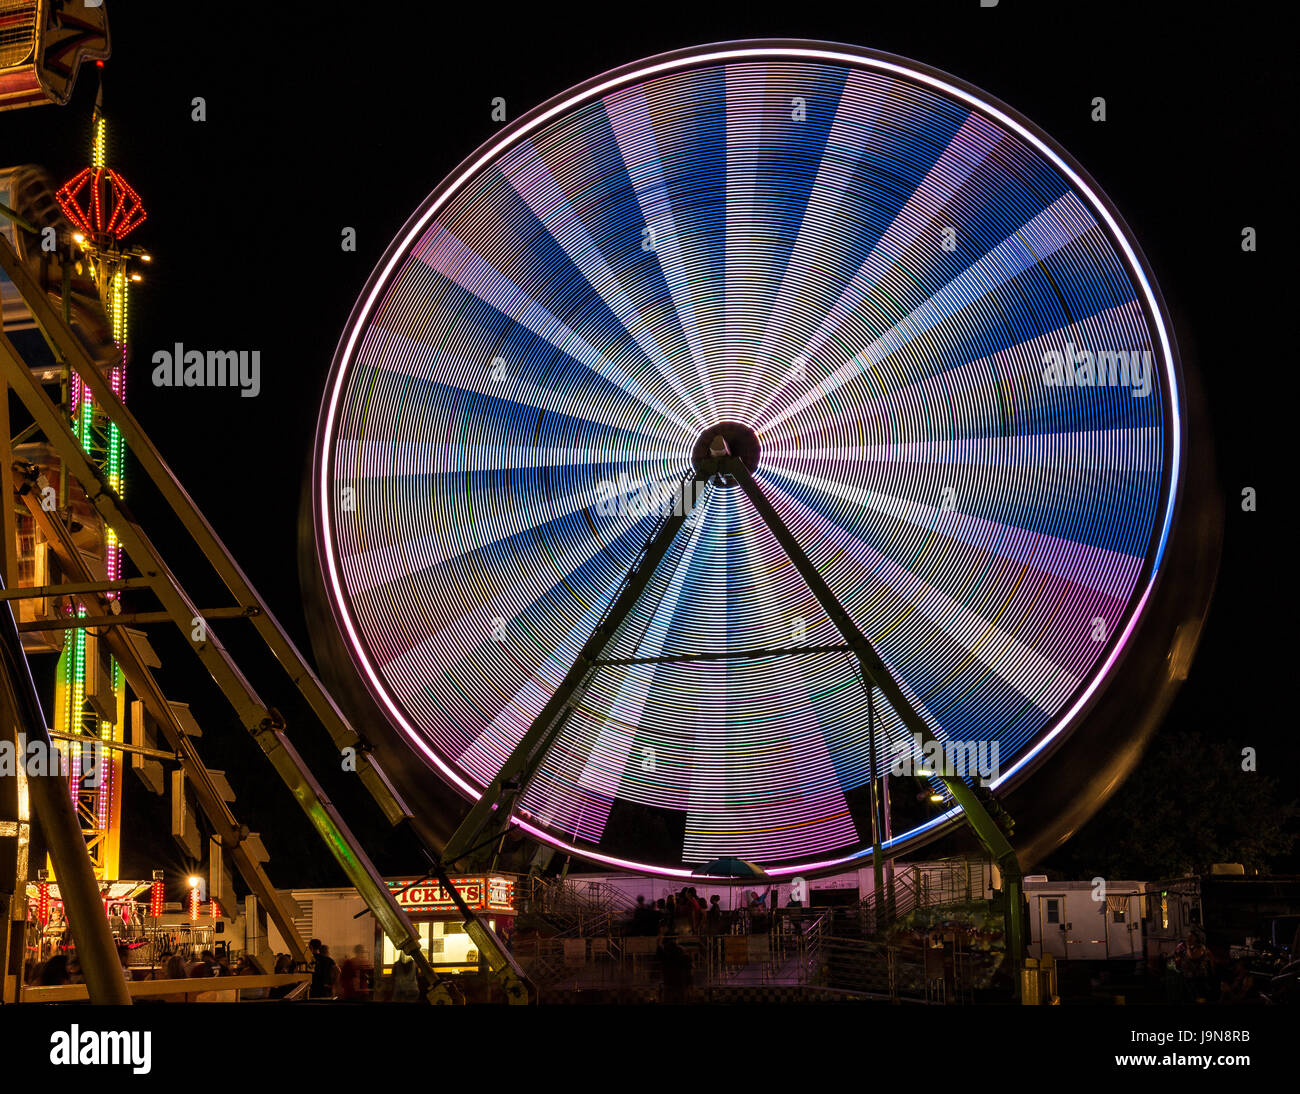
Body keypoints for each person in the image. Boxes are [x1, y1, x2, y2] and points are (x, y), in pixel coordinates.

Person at [658, 935, 693, 1004]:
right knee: (682, 999)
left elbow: (659, 949)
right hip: (680, 984)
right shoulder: (683, 957)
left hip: (668, 983)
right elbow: (690, 969)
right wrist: (690, 984)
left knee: (668, 1000)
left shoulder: (666, 956)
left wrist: (659, 941)